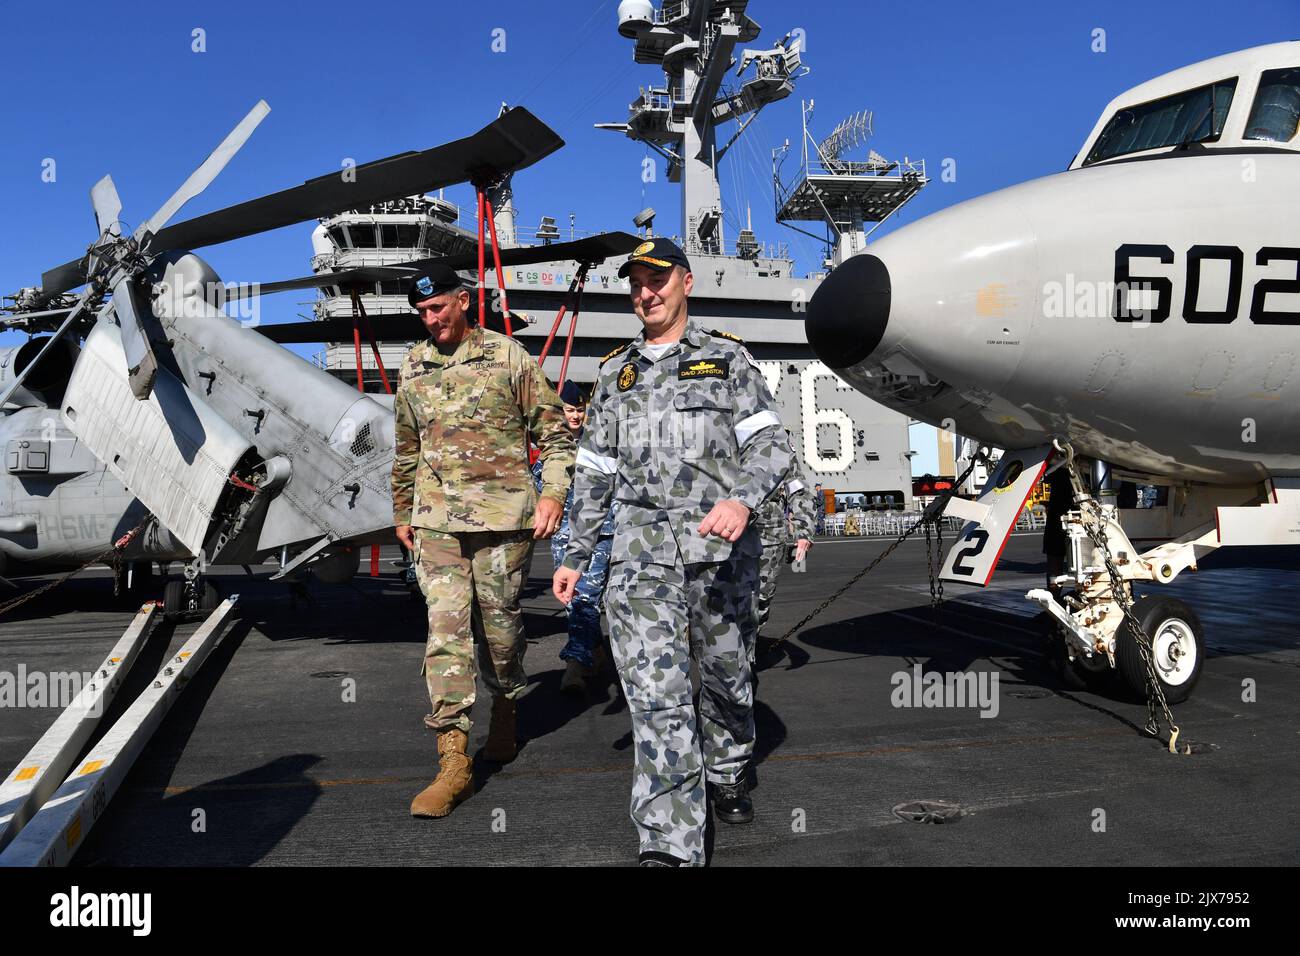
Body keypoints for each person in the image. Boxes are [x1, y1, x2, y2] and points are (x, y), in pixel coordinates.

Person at [552, 237, 793, 866]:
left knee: (724, 679)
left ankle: (732, 762)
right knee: (656, 697)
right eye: (635, 281)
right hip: (639, 561)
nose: (645, 291)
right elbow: (594, 471)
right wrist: (575, 554)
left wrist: (741, 500)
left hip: (719, 560)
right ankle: (670, 843)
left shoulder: (728, 361)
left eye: (657, 278)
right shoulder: (614, 374)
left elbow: (772, 446)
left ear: (685, 282)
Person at [392, 264, 575, 819]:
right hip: (436, 522)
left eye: (437, 308)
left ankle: (508, 704)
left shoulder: (508, 358)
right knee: (445, 631)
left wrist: (554, 495)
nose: (430, 320)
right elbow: (405, 445)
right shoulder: (414, 365)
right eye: (421, 312)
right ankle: (452, 761)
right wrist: (403, 510)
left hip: (503, 522)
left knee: (501, 632)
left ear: (463, 301)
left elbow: (554, 433)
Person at [531, 380, 615, 695]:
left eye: (580, 409)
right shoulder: (552, 450)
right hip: (563, 537)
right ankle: (596, 652)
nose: (576, 416)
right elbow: (539, 486)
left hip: (599, 534)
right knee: (571, 601)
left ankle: (574, 666)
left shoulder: (601, 443)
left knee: (583, 599)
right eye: (570, 410)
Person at [751, 460, 816, 662]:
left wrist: (802, 531)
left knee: (759, 604)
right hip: (717, 537)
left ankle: (745, 658)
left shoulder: (775, 444)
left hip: (767, 536)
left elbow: (797, 489)